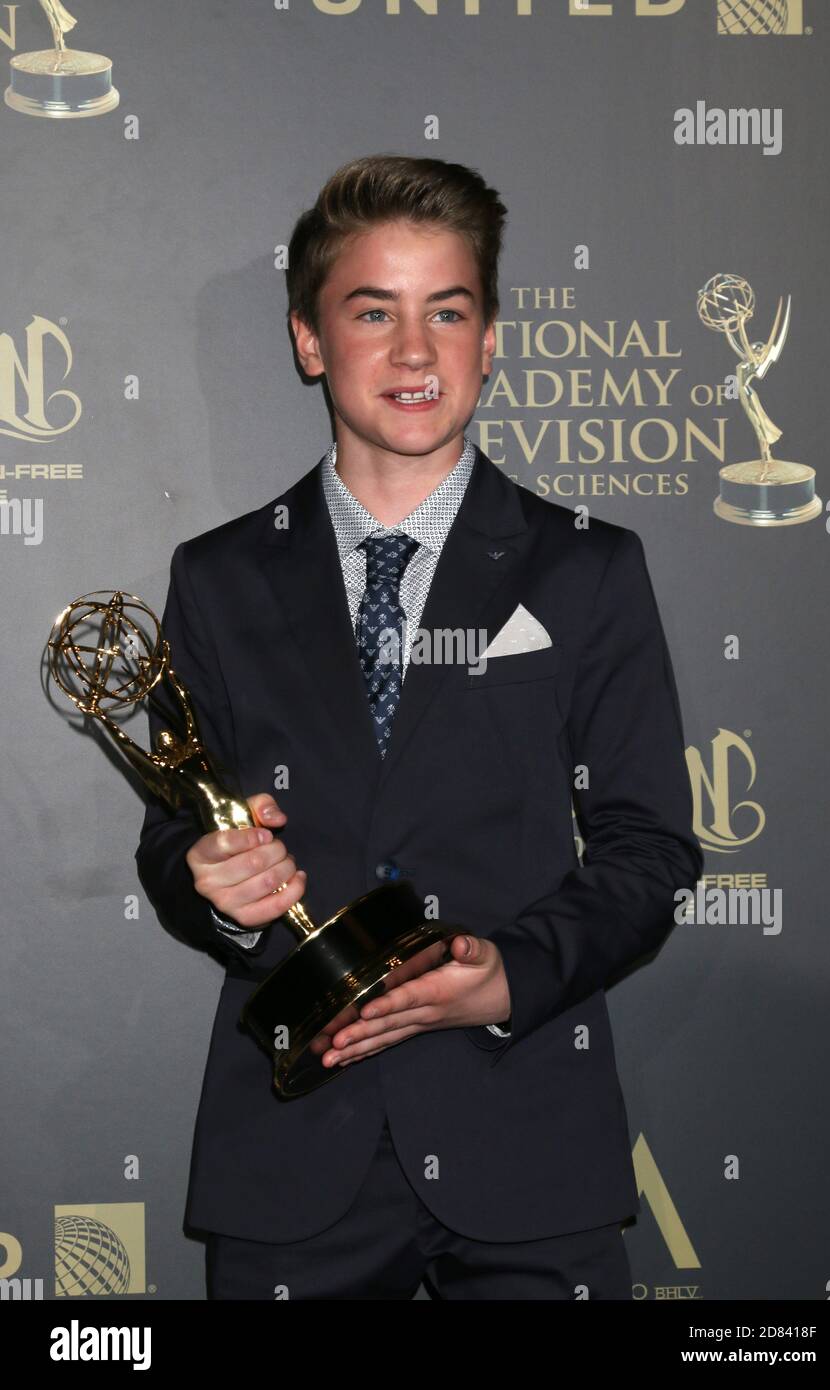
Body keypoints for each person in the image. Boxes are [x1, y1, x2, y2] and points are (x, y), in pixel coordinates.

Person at [135, 153, 703, 1301]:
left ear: (488, 338)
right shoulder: (217, 577)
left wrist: (509, 976)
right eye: (371, 311)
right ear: (308, 340)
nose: (412, 351)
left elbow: (648, 846)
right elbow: (172, 838)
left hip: (528, 1140)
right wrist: (210, 881)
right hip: (293, 1157)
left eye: (446, 311)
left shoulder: (587, 569)